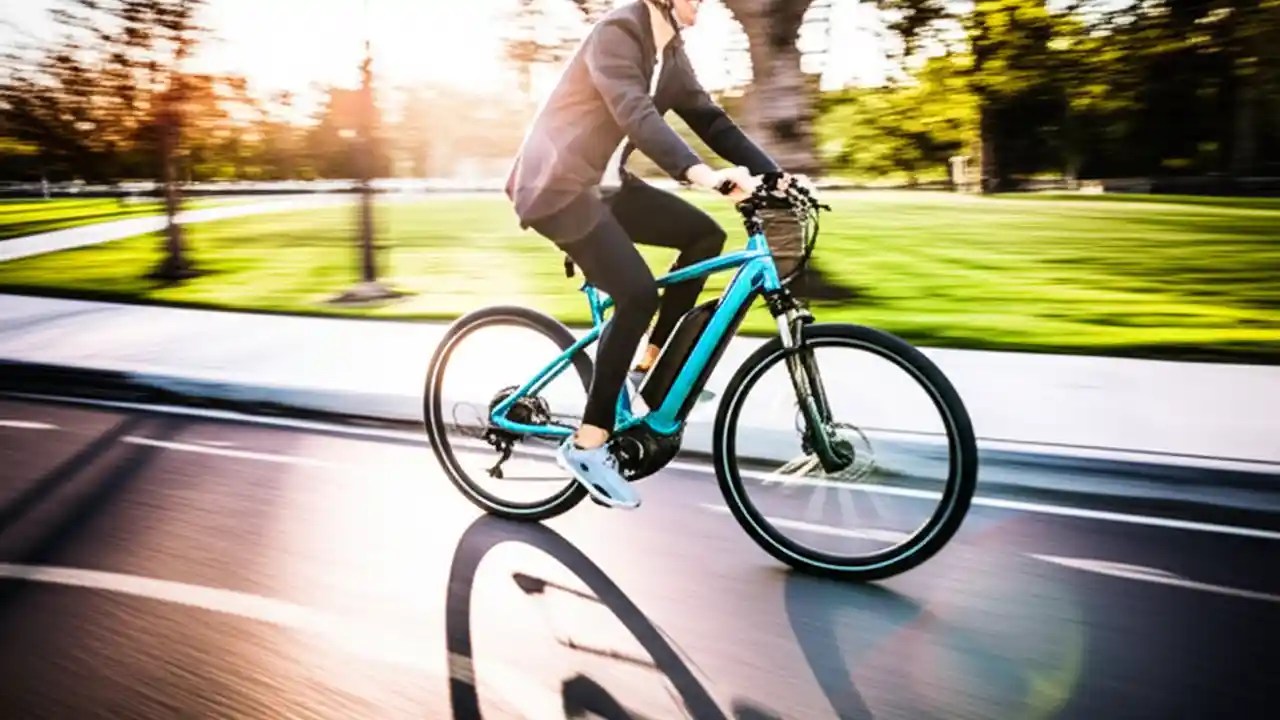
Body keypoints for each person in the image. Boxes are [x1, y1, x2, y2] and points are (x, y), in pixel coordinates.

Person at [504, 0, 783, 509]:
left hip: (606, 187)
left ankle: (647, 367)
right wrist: (702, 175)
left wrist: (776, 176)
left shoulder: (670, 53)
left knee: (704, 238)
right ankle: (589, 446)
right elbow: (635, 113)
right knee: (635, 293)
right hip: (558, 189)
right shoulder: (616, 32)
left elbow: (712, 121)